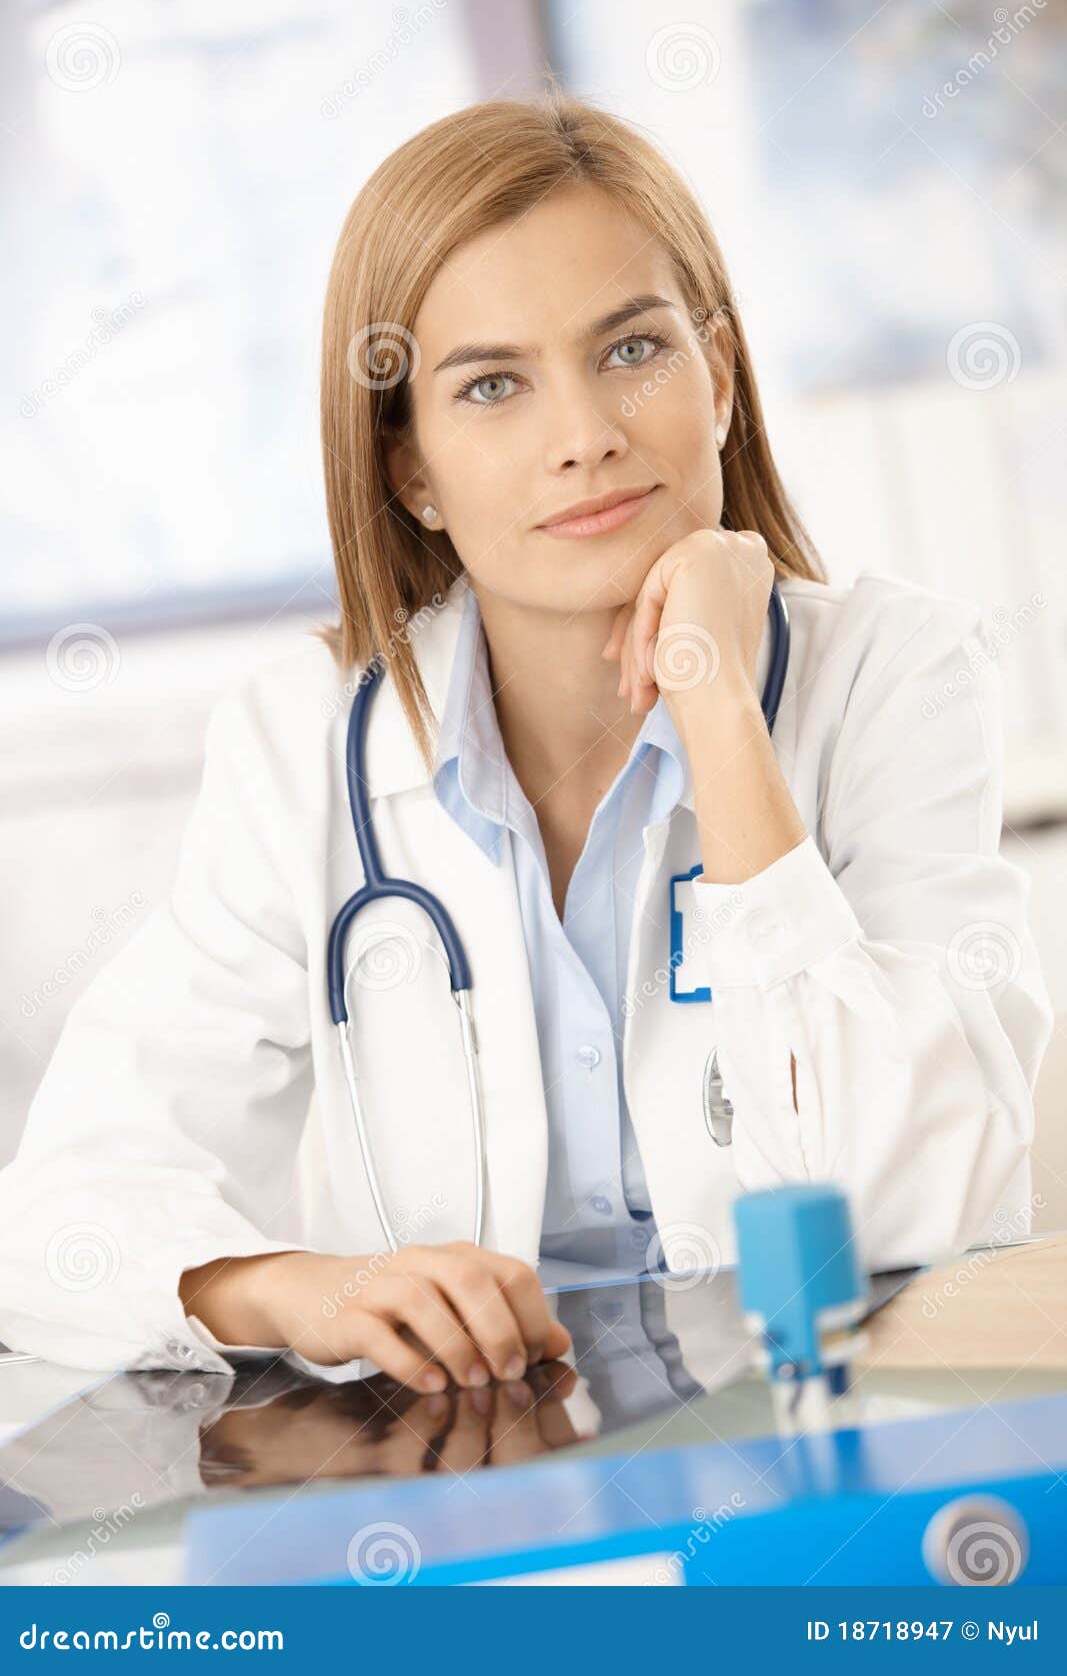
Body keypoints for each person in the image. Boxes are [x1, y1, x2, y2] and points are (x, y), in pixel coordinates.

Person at [0, 92, 1052, 1391]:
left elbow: (921, 1197)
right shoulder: (300, 751)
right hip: (480, 1492)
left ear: (717, 379)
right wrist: (305, 1288)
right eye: (493, 385)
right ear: (413, 472)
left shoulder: (892, 678)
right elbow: (56, 1220)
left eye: (632, 351)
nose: (585, 435)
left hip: (812, 1456)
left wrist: (720, 713)